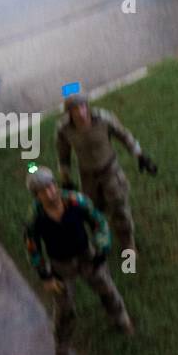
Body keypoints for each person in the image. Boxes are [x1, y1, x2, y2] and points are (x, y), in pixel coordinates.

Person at [23, 166, 133, 355]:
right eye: (43, 191)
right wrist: (44, 275)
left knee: (107, 289)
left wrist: (102, 247)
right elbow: (32, 246)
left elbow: (99, 221)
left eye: (51, 186)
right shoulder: (34, 218)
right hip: (60, 267)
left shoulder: (76, 201)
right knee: (64, 311)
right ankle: (61, 351)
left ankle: (121, 320)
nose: (50, 193)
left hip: (87, 257)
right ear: (36, 196)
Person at [55, 93, 157, 255]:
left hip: (110, 171)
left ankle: (127, 244)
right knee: (93, 210)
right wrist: (66, 178)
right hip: (87, 176)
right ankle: (101, 239)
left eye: (82, 106)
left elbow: (124, 136)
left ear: (87, 106)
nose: (80, 112)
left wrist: (140, 155)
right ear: (69, 112)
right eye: (75, 109)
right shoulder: (64, 130)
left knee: (119, 207)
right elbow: (63, 155)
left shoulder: (103, 119)